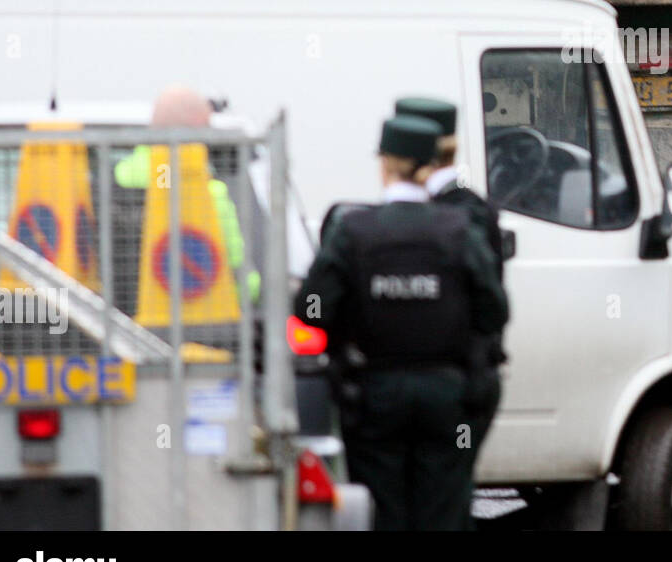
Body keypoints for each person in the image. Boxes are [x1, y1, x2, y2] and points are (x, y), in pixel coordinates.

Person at [294, 113, 507, 531]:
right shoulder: (460, 228)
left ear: (385, 164)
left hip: (375, 395)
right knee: (444, 510)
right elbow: (494, 310)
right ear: (431, 164)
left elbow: (311, 309)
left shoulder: (353, 230)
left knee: (381, 511)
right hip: (447, 395)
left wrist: (343, 340)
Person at [395, 96, 508, 530]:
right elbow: (494, 307)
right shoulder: (472, 211)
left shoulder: (457, 214)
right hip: (458, 381)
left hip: (449, 380)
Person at [113, 86, 250, 302]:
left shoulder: (115, 179)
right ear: (196, 131)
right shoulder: (210, 195)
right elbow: (239, 279)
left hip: (116, 321)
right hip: (197, 321)